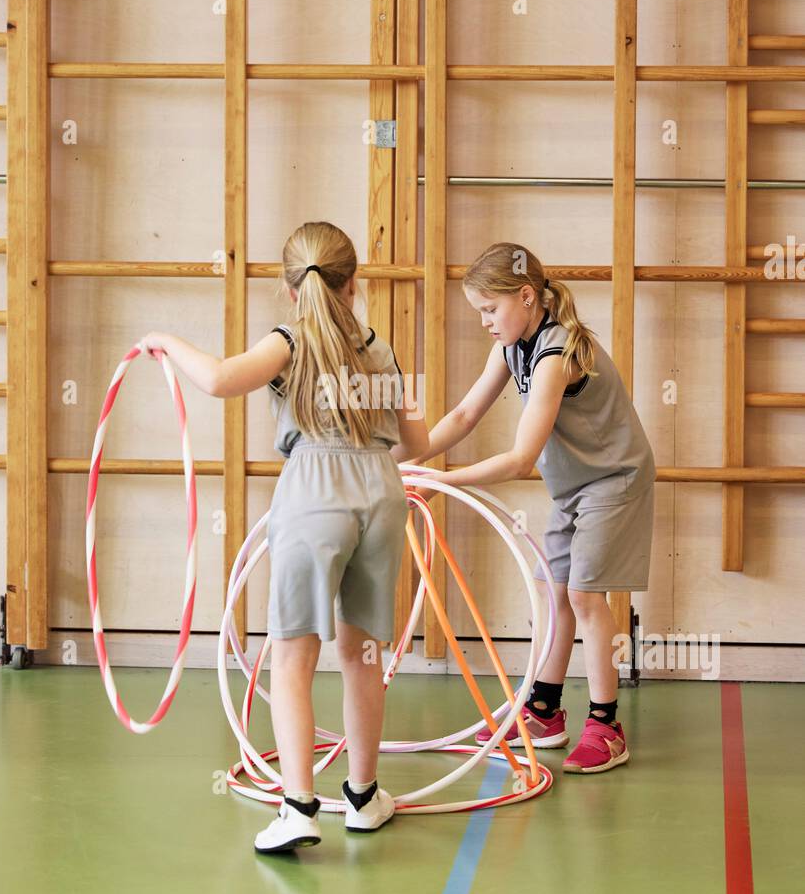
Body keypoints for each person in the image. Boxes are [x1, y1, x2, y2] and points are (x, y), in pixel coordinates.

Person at [141, 220, 428, 851]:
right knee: (364, 655)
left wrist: (162, 337)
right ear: (354, 283)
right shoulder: (383, 349)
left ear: (290, 287)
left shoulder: (288, 343)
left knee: (293, 656)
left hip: (314, 493)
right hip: (382, 494)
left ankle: (298, 807)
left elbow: (217, 380)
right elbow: (418, 445)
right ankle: (362, 797)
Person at [414, 242, 656, 774]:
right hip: (576, 487)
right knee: (552, 592)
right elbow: (462, 415)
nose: (484, 322)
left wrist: (442, 481)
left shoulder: (557, 353)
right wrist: (402, 460)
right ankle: (544, 710)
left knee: (588, 597)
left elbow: (522, 458)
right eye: (478, 311)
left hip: (615, 481)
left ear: (526, 296)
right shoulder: (511, 346)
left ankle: (607, 726)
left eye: (490, 309)